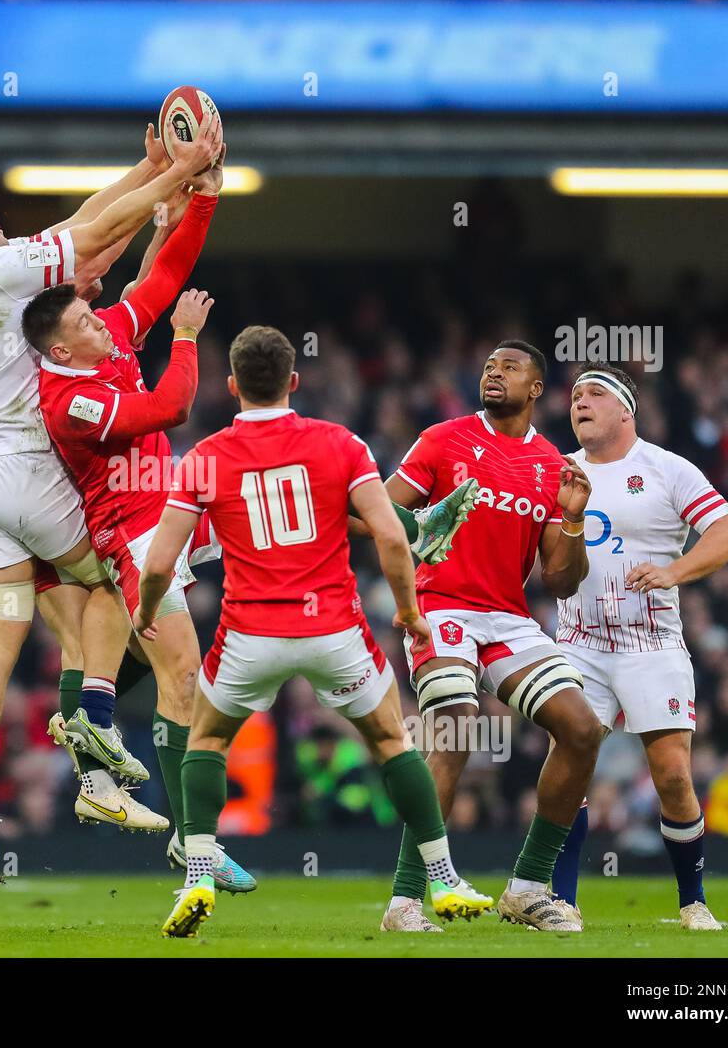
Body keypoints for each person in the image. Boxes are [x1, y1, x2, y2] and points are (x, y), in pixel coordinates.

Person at [0, 117, 222, 863]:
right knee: (117, 578)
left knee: (3, 634)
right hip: (26, 473)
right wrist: (184, 170)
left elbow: (88, 226)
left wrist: (148, 171)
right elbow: (96, 231)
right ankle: (94, 747)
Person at [133, 325, 493, 938]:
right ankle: (442, 877)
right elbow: (390, 535)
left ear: (231, 386)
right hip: (334, 629)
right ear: (294, 381)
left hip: (249, 634)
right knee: (390, 743)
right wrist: (408, 613)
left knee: (207, 743)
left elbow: (160, 563)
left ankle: (197, 872)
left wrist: (144, 614)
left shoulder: (204, 459)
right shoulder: (341, 443)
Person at [382, 340, 602, 932]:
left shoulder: (553, 465)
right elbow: (370, 510)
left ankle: (527, 888)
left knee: (582, 729)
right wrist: (420, 522)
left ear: (536, 389)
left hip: (507, 616)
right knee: (454, 723)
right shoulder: (442, 439)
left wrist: (575, 518)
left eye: (510, 367)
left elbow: (561, 581)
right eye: (488, 366)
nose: (494, 373)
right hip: (442, 604)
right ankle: (405, 901)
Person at [549, 361, 728, 931]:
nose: (578, 403)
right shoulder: (558, 470)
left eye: (592, 395)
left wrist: (674, 571)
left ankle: (693, 901)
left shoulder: (667, 468)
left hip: (650, 642)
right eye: (574, 396)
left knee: (674, 776)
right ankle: (562, 899)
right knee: (569, 770)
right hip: (579, 640)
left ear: (624, 409)